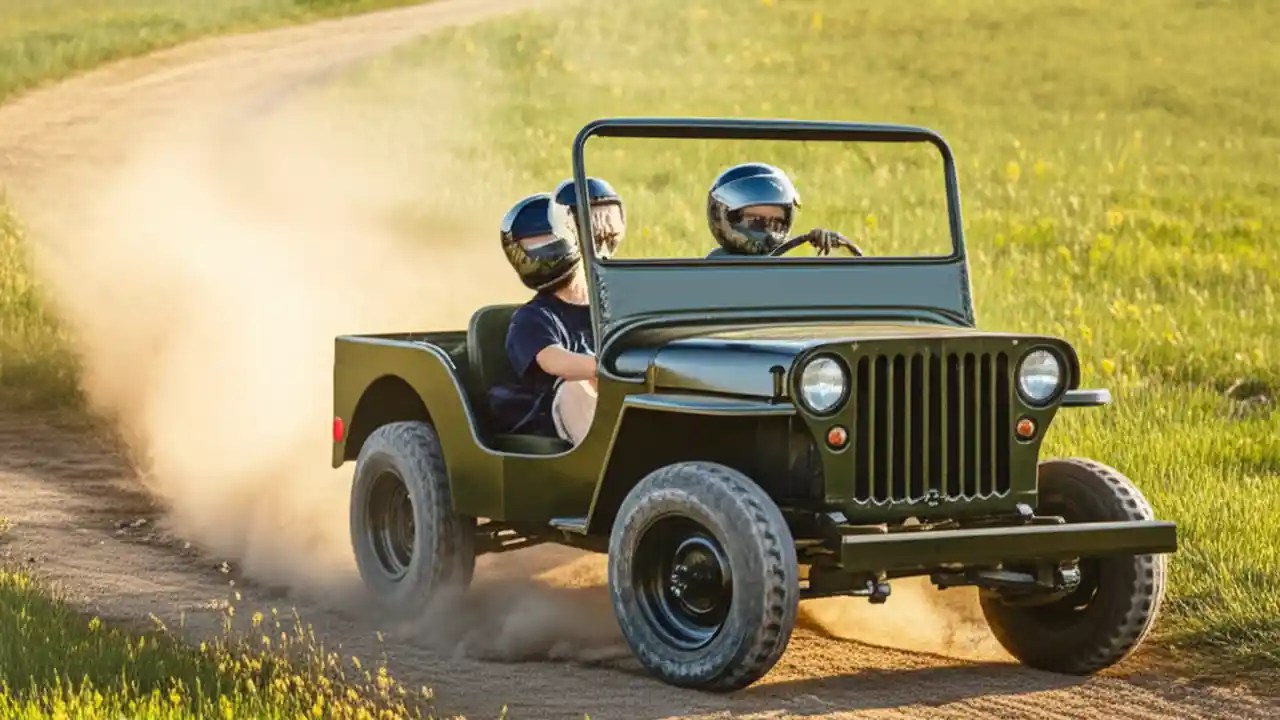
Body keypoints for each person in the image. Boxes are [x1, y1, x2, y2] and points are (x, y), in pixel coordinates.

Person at [489, 179, 623, 445]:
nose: (545, 252)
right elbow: (554, 361)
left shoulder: (612, 308)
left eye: (550, 240)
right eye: (534, 245)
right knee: (575, 385)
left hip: (615, 403)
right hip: (548, 416)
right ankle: (615, 458)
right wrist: (604, 369)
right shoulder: (533, 318)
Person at [704, 162, 862, 258]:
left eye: (776, 223)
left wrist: (837, 248)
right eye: (755, 221)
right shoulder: (706, 276)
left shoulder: (787, 273)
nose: (767, 230)